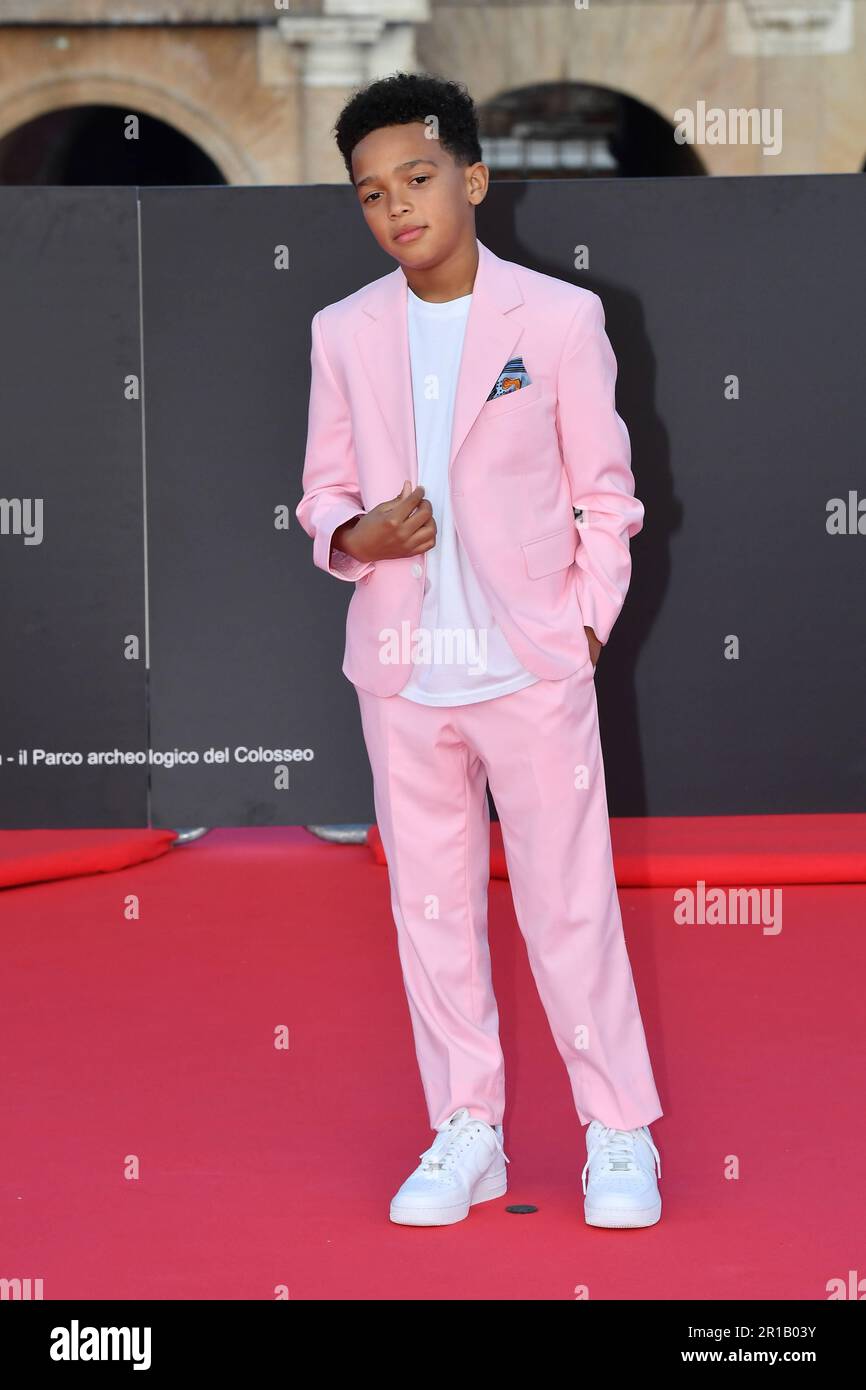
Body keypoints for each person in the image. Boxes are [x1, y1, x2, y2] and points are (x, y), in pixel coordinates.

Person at [296, 71, 663, 1229]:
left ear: (471, 177)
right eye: (369, 193)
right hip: (402, 674)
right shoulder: (341, 331)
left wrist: (582, 630)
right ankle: (469, 1130)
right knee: (431, 912)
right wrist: (354, 535)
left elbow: (607, 499)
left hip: (528, 666)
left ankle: (616, 1131)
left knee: (568, 908)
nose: (396, 206)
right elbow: (319, 497)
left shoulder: (555, 320)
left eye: (415, 177)